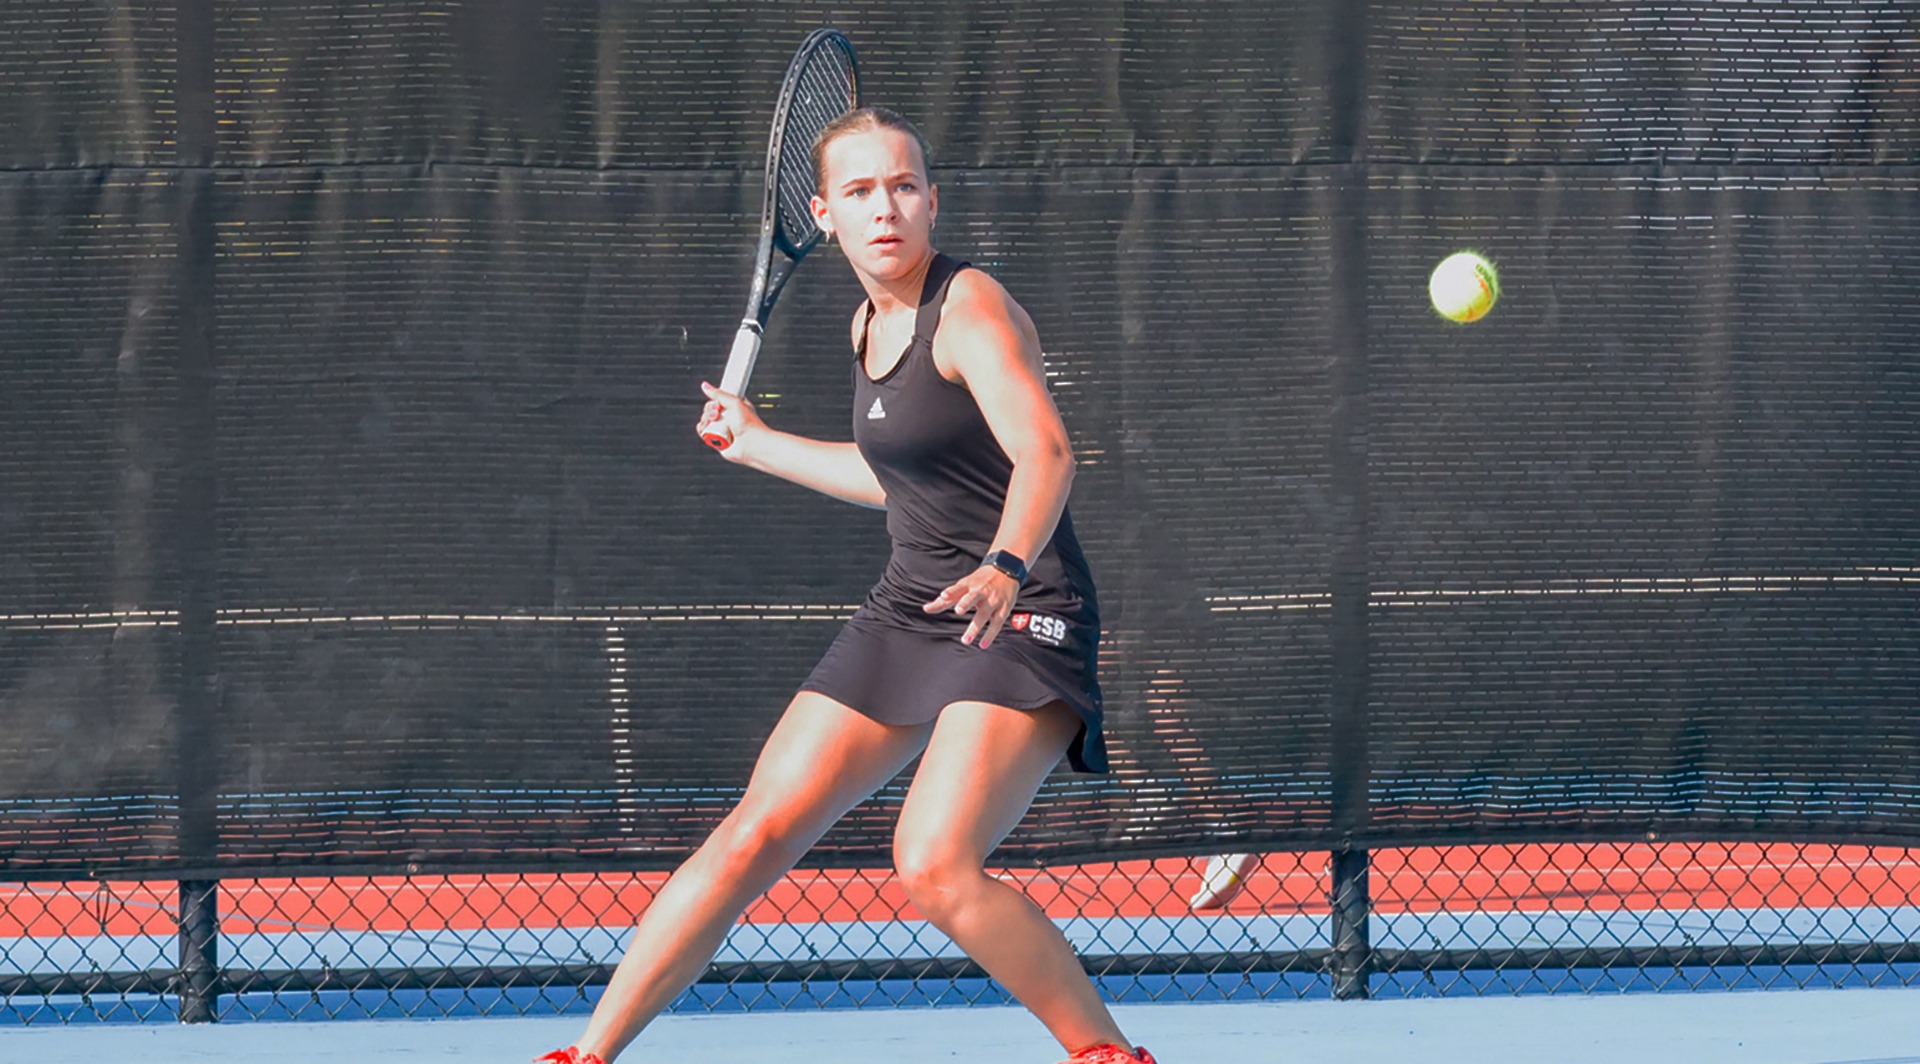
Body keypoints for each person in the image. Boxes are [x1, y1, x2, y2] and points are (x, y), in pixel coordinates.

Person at [536, 106, 1157, 1064]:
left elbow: (1046, 450)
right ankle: (584, 1056)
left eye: (904, 186)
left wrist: (1003, 566)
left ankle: (1106, 1055)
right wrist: (759, 444)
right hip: (913, 605)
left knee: (934, 864)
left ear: (932, 201)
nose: (886, 209)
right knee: (754, 833)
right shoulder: (867, 322)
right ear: (823, 214)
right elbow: (901, 478)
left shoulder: (972, 306)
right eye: (861, 192)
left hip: (1021, 605)